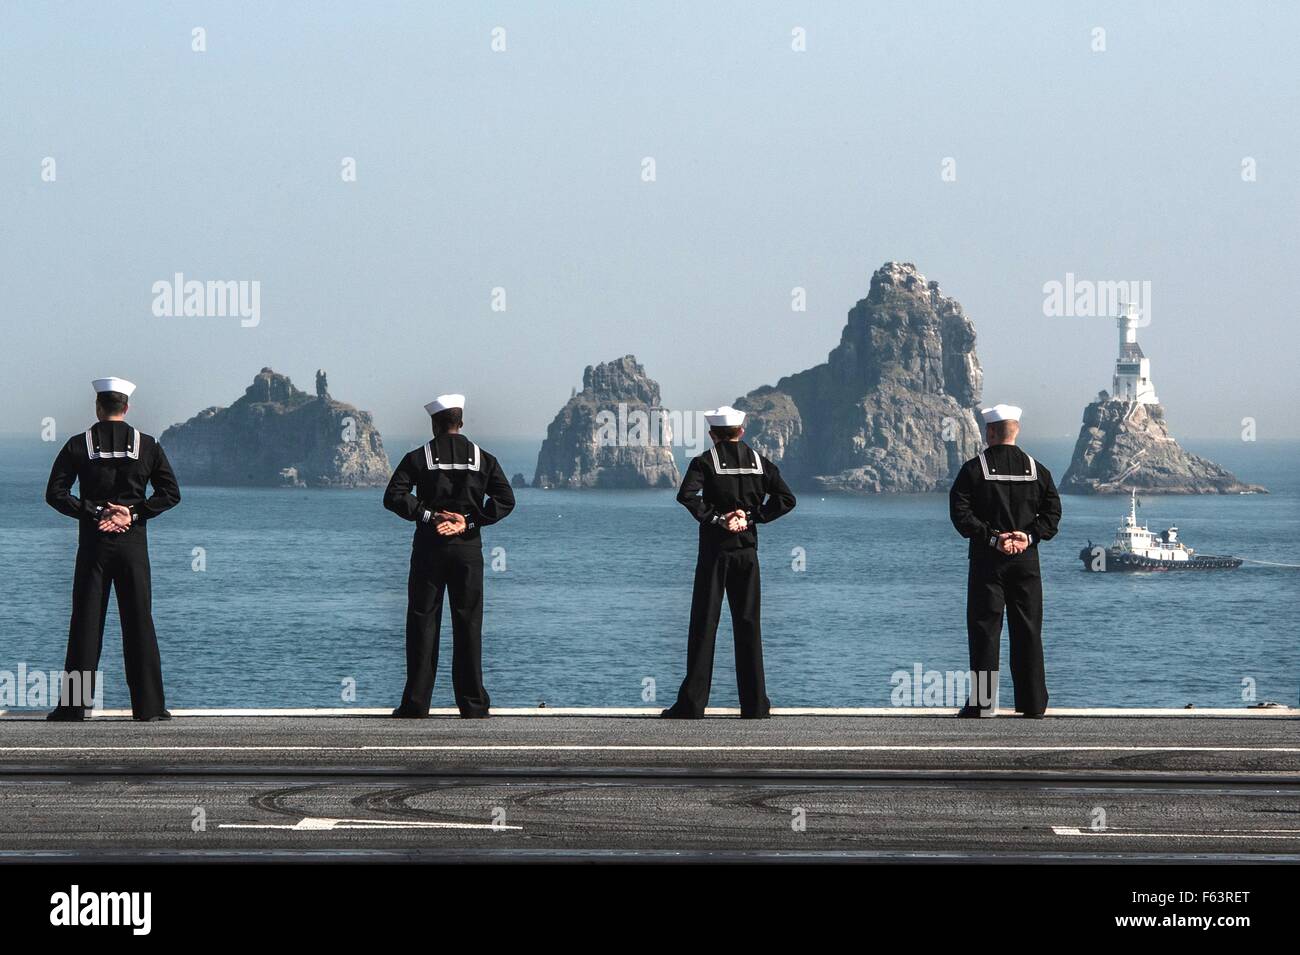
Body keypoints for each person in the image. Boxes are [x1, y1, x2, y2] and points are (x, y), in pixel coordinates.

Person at [44, 377, 182, 721]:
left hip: (93, 545)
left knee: (85, 624)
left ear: (97, 407)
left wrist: (94, 512)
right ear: (127, 408)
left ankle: (74, 707)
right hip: (134, 545)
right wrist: (132, 513)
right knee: (139, 622)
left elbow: (55, 493)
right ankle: (149, 708)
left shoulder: (79, 445)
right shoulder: (148, 445)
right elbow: (170, 494)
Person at [383, 393, 515, 718]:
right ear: (461, 422)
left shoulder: (418, 457)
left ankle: (416, 703)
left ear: (434, 424)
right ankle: (473, 704)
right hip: (468, 550)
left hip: (429, 548)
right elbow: (505, 499)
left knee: (422, 621)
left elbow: (393, 496)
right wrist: (467, 521)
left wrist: (430, 516)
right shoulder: (484, 458)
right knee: (468, 623)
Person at [662, 406, 796, 719]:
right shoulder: (760, 463)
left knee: (704, 625)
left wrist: (718, 518)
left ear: (712, 433)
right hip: (747, 553)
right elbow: (786, 499)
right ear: (741, 431)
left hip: (714, 552)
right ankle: (755, 705)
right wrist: (752, 517)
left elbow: (687, 496)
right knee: (748, 625)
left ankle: (692, 705)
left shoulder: (704, 462)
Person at [948, 404, 1061, 718]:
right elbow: (1052, 515)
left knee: (985, 629)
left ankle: (983, 704)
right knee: (1028, 630)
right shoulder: (1039, 470)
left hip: (988, 562)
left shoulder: (972, 470)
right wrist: (1028, 536)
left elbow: (960, 514)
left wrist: (992, 537)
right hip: (1027, 562)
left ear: (991, 432)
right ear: (1017, 430)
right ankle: (1034, 703)